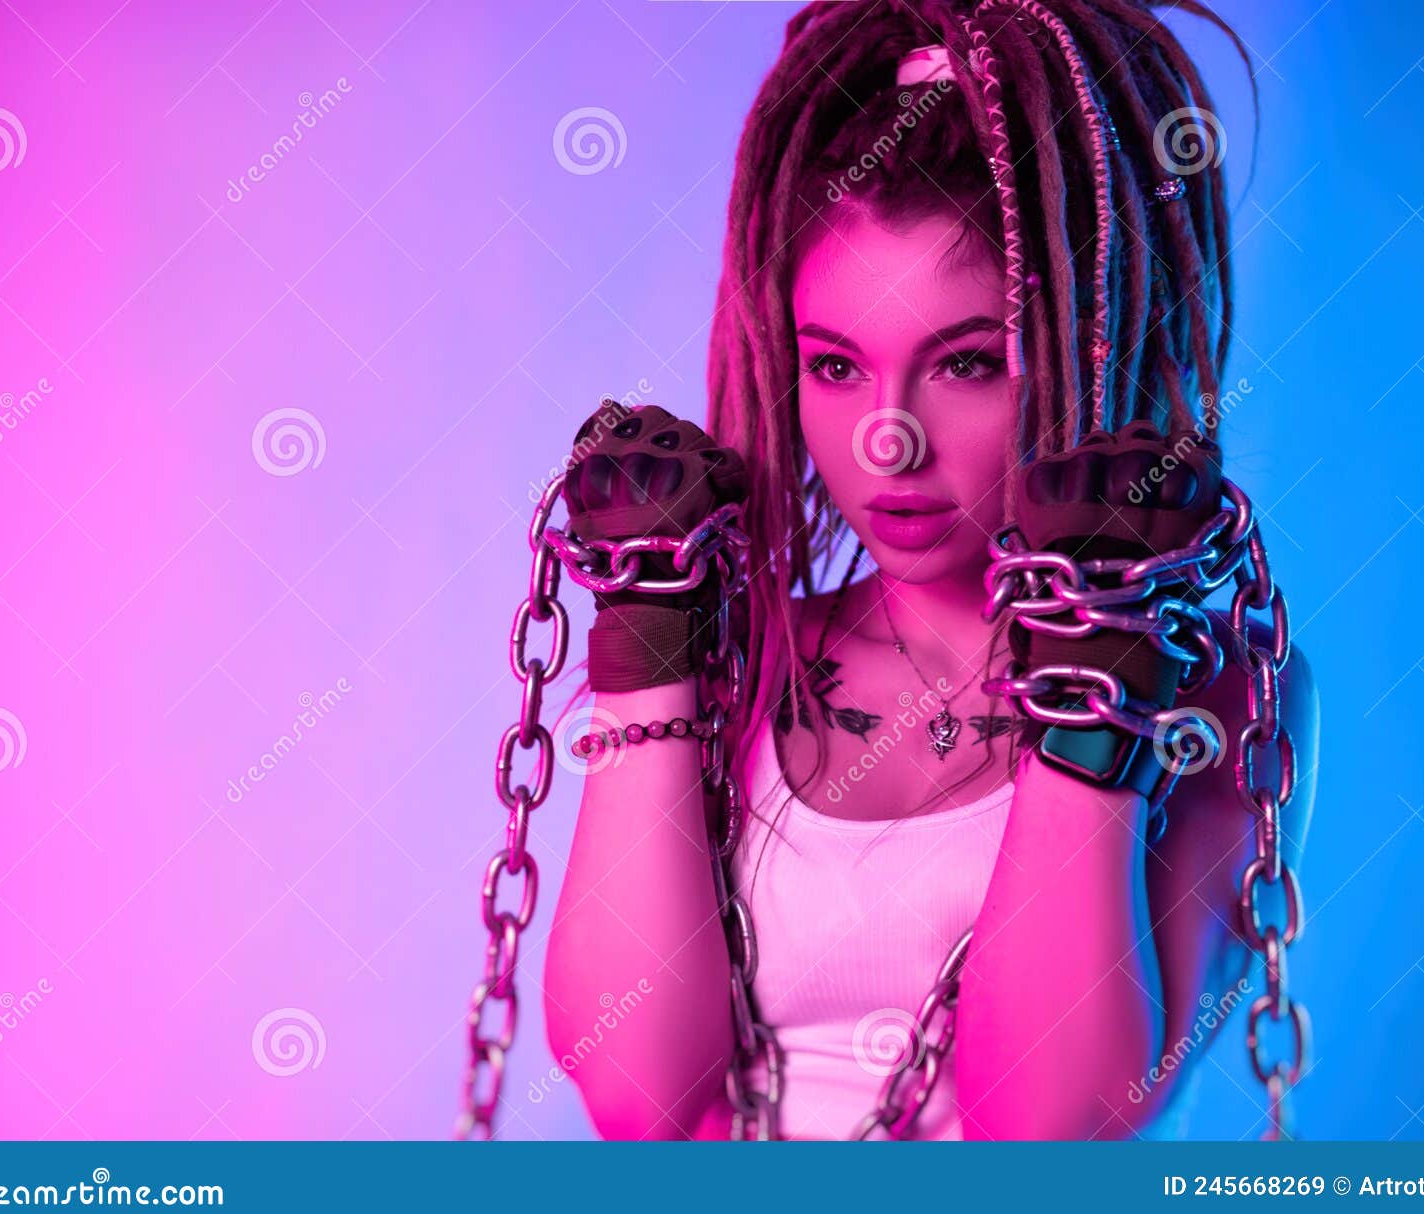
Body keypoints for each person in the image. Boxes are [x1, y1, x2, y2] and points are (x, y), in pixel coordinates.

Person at [541, 0, 1317, 1141]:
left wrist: (1092, 698)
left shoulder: (1219, 691)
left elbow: (1052, 1132)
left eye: (964, 363)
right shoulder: (744, 655)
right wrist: (645, 649)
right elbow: (633, 1089)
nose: (886, 440)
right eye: (837, 365)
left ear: (1087, 345)